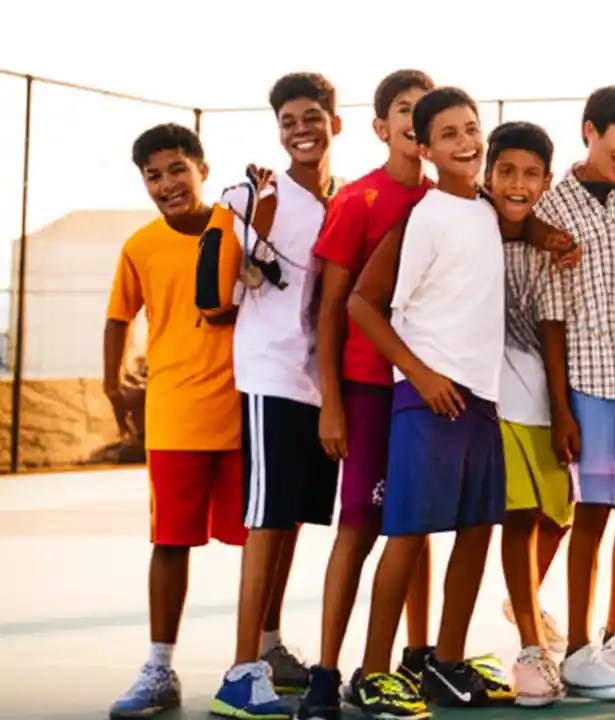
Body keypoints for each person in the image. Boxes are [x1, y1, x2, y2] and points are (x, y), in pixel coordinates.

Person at [345, 86, 510, 717]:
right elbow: (365, 302)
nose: (466, 141)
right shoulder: (423, 214)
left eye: (472, 128)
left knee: (475, 532)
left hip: (481, 399)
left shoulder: (490, 210)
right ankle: (374, 672)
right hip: (427, 397)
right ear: (424, 145)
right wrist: (420, 373)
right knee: (408, 535)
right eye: (449, 134)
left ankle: (445, 662)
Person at [303, 70, 437, 719]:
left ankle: (415, 660)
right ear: (382, 126)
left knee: (417, 526)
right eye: (404, 111)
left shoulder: (446, 203)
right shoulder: (357, 200)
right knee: (359, 525)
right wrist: (331, 399)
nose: (416, 121)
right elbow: (332, 308)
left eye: (425, 110)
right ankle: (328, 674)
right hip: (365, 389)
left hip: (426, 390)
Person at [209, 71, 342, 720]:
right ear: (278, 132)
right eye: (288, 121)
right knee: (264, 523)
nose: (301, 130)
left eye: (312, 117)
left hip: (318, 386)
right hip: (268, 376)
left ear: (334, 125)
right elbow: (226, 293)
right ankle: (240, 674)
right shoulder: (247, 193)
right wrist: (253, 227)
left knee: (288, 520)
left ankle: (266, 646)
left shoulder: (340, 202)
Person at [105, 123, 247, 719]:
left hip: (245, 413)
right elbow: (118, 318)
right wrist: (113, 383)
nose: (166, 184)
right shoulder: (140, 246)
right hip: (175, 418)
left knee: (263, 542)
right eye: (153, 176)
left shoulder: (241, 229)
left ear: (203, 170)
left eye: (176, 170)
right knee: (169, 542)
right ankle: (160, 668)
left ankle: (261, 656)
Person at [531, 84, 615, 701]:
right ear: (591, 131)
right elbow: (551, 318)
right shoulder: (553, 210)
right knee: (591, 511)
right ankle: (578, 647)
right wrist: (560, 407)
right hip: (588, 382)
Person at [483, 120, 575, 707]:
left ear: (546, 179)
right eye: (506, 171)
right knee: (517, 517)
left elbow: (551, 330)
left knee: (559, 514)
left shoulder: (549, 246)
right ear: (488, 175)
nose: (518, 184)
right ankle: (529, 648)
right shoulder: (470, 227)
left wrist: (563, 409)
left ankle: (525, 600)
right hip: (493, 402)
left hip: (543, 400)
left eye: (531, 174)